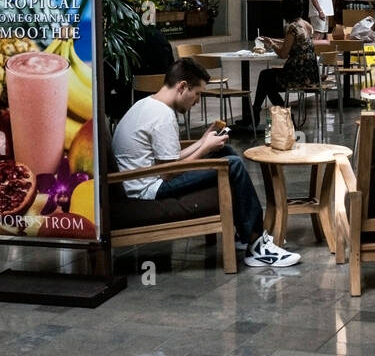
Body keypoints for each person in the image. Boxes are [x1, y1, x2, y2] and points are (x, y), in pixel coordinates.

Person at [112, 57, 300, 268]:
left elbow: (169, 160)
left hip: (147, 178)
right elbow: (169, 173)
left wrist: (203, 141)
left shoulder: (147, 105)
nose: (198, 101)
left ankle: (245, 232)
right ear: (182, 87)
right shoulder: (162, 116)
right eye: (198, 93)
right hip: (148, 189)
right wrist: (205, 148)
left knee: (226, 152)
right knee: (232, 165)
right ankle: (257, 245)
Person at [249, 0, 319, 127]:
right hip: (310, 73)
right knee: (267, 79)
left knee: (265, 78)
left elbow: (283, 54)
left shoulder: (292, 27)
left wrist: (271, 45)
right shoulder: (306, 25)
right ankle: (257, 111)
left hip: (296, 75)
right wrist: (272, 40)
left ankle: (259, 111)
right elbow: (295, 42)